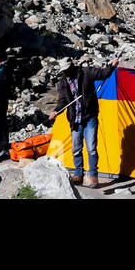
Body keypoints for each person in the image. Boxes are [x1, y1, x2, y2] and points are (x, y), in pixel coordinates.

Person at [50, 57, 118, 188]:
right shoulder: (63, 82)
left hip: (89, 117)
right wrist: (56, 111)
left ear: (71, 67)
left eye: (67, 70)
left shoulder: (86, 72)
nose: (66, 72)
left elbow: (103, 73)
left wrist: (112, 66)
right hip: (75, 120)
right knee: (76, 149)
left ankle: (92, 175)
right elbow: (62, 101)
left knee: (91, 149)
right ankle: (78, 174)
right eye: (64, 71)